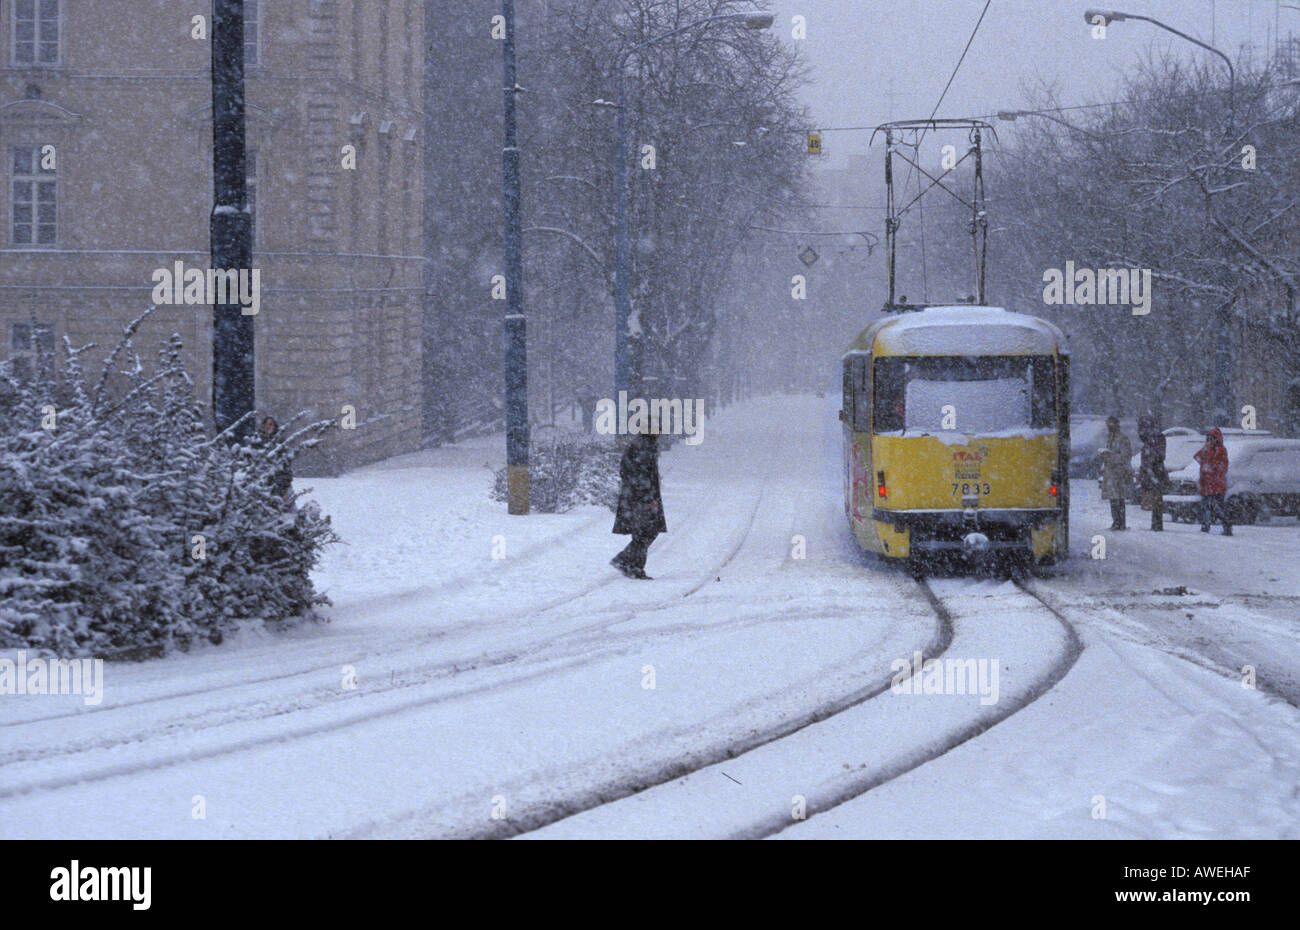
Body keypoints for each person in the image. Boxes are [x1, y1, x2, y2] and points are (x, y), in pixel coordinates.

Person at [611, 430, 666, 579]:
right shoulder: (645, 445)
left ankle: (631, 564)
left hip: (635, 496)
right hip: (641, 497)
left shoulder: (641, 443)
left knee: (642, 532)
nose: (660, 433)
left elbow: (628, 470)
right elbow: (643, 474)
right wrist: (649, 498)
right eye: (659, 429)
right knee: (646, 532)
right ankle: (628, 563)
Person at [1194, 427, 1232, 536]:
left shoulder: (1220, 450)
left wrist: (1209, 466)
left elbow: (1220, 466)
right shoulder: (1207, 450)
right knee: (1206, 507)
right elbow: (1197, 458)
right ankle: (1205, 526)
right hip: (1207, 484)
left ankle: (1226, 526)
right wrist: (1205, 451)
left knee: (1217, 507)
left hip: (1216, 485)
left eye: (1211, 438)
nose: (1209, 441)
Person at [1098, 415, 1133, 531]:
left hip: (1119, 473)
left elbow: (1125, 456)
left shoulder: (1122, 439)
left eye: (1110, 424)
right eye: (1107, 424)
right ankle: (1116, 521)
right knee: (1113, 498)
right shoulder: (1110, 437)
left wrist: (1110, 456)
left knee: (1119, 498)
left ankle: (1120, 522)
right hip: (1111, 472)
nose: (1108, 427)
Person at [1136, 415, 1168, 531]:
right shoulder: (1154, 439)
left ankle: (1157, 523)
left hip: (1154, 472)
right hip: (1153, 472)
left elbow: (1159, 456)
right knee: (1155, 498)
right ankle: (1156, 523)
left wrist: (1149, 463)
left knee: (1156, 498)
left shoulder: (1155, 439)